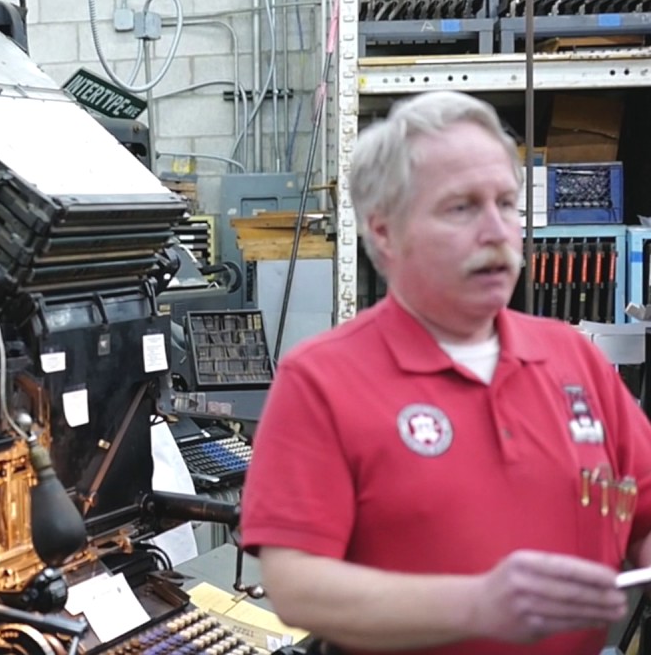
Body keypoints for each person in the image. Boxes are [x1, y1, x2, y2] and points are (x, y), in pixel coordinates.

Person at [239, 90, 651, 655]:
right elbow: (296, 586)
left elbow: (644, 512)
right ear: (384, 231)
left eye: (506, 204)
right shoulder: (322, 380)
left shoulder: (573, 359)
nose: (497, 230)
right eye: (462, 207)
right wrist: (477, 607)